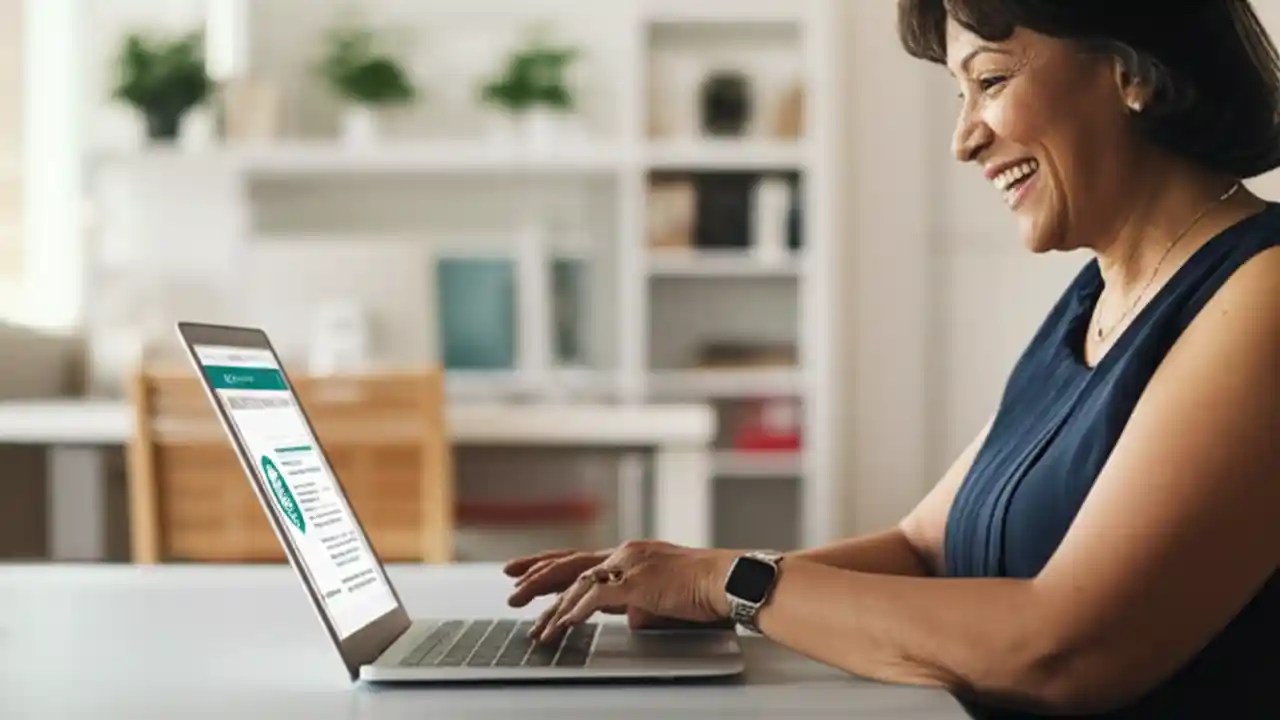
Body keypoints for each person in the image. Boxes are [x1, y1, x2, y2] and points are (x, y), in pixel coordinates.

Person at [502, 1, 1280, 716]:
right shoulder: (1101, 297)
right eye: (959, 93)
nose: (964, 136)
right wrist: (691, 581)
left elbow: (1066, 651)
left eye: (992, 80)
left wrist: (729, 584)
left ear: (1132, 71)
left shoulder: (1263, 293)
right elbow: (925, 548)